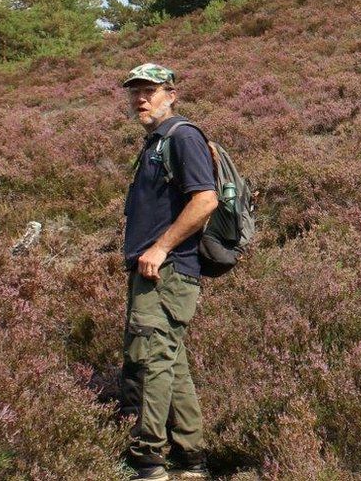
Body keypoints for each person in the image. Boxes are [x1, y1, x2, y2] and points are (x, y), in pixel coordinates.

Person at [119, 63, 218, 480]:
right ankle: (191, 456)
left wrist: (159, 248)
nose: (141, 98)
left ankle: (149, 460)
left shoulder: (182, 137)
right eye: (134, 92)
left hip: (168, 270)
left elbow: (206, 200)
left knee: (150, 361)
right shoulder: (155, 143)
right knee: (170, 360)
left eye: (150, 91)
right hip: (156, 270)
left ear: (171, 94)